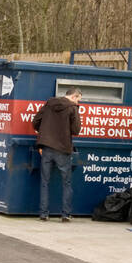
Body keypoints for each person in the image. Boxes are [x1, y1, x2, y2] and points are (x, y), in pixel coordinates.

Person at [32, 86, 82, 221]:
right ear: (74, 97)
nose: (78, 103)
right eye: (78, 100)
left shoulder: (49, 103)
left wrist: (41, 132)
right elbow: (76, 130)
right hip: (63, 149)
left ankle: (43, 214)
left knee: (44, 182)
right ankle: (65, 214)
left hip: (47, 147)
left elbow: (35, 121)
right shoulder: (72, 108)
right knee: (66, 182)